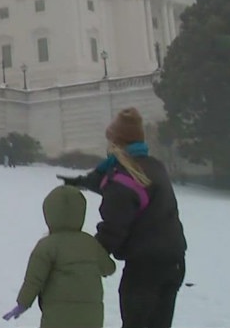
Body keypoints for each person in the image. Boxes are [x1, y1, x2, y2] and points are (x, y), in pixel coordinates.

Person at [58, 107, 188, 328]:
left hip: (144, 270)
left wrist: (89, 260)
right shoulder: (153, 167)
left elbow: (112, 229)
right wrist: (82, 181)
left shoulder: (123, 179)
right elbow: (113, 185)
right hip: (174, 263)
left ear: (116, 143)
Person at [2, 185, 116, 327]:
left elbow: (34, 279)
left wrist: (23, 304)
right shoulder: (90, 243)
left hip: (57, 318)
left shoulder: (46, 246)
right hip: (91, 317)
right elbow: (109, 268)